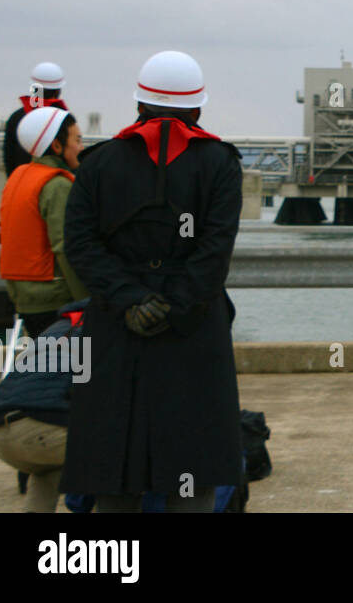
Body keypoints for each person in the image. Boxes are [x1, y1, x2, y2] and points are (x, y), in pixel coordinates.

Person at [60, 51, 244, 513]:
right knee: (192, 465)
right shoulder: (220, 163)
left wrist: (129, 300)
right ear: (198, 109)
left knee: (113, 465)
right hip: (193, 328)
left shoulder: (97, 164)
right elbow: (213, 252)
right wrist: (176, 306)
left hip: (115, 326)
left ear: (138, 104)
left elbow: (80, 245)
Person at [0, 107, 88, 337]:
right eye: (77, 140)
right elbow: (66, 247)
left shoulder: (20, 176)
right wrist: (86, 302)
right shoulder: (58, 186)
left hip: (23, 295)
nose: (81, 147)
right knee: (71, 368)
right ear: (57, 146)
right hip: (53, 297)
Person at [0, 303, 86, 512]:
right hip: (43, 430)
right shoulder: (104, 327)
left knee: (47, 471)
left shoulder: (57, 327)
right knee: (124, 454)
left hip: (0, 435)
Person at [2, 62, 68, 179]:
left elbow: (9, 158)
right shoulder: (63, 119)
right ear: (58, 90)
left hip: (21, 184)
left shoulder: (16, 118)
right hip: (52, 184)